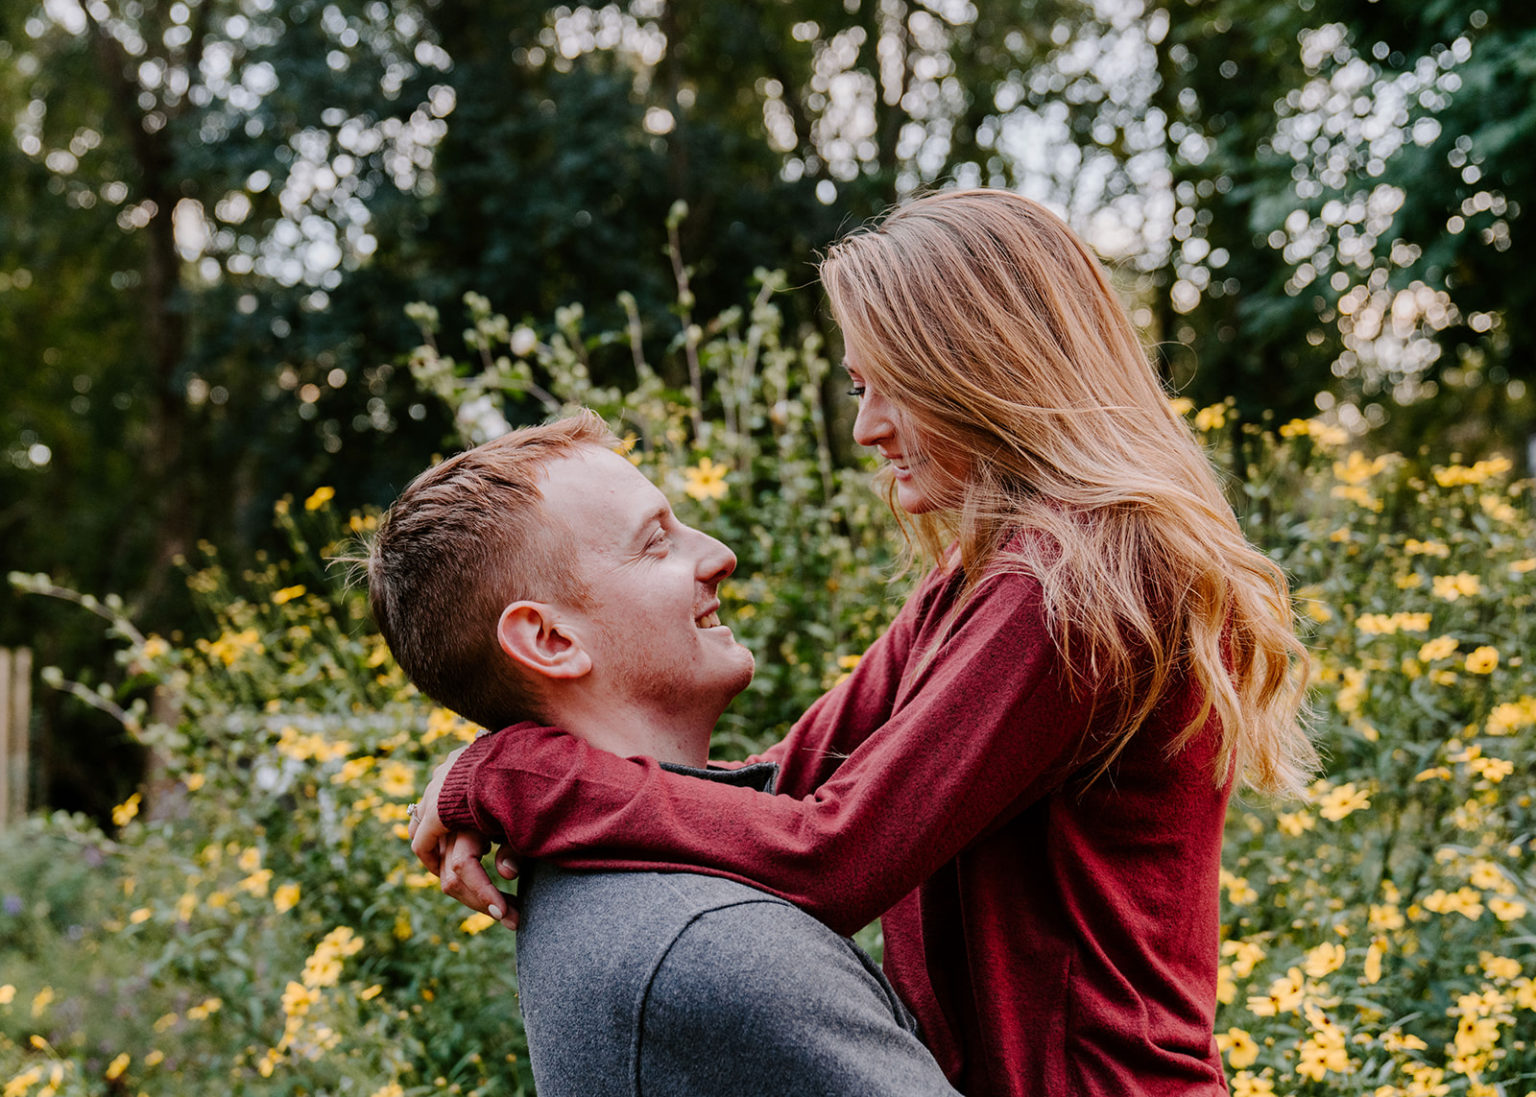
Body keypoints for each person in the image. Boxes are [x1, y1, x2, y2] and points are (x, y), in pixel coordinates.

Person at [409, 189, 1316, 1096]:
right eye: (857, 386)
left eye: (893, 385)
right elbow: (791, 782)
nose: (866, 426)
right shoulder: (979, 580)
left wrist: (514, 779)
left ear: (986, 370)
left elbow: (832, 855)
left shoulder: (1074, 584)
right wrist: (497, 761)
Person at [368, 414, 961, 1097]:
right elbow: (831, 840)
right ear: (551, 639)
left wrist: (496, 773)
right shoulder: (719, 950)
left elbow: (914, 657)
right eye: (656, 542)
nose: (719, 553)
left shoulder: (603, 882)